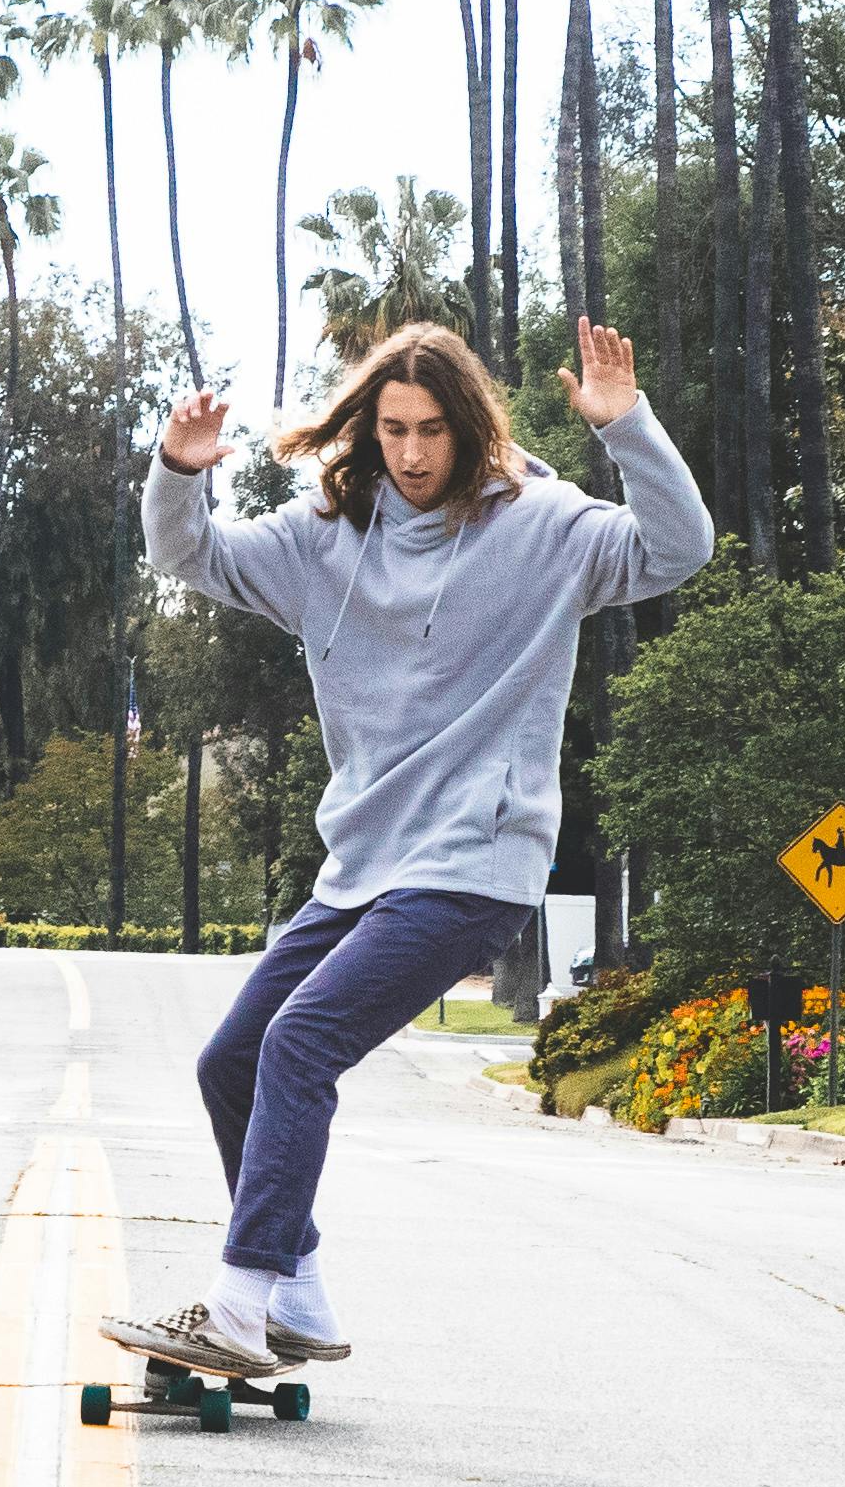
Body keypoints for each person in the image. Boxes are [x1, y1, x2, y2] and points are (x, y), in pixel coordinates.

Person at [102, 317, 711, 1379]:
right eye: (394, 430)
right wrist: (176, 471)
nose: (415, 454)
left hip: (473, 863)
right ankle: (300, 1298)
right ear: (367, 430)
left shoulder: (545, 529)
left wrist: (630, 432)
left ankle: (239, 1309)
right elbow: (187, 556)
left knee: (300, 1048)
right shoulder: (320, 541)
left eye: (434, 430)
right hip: (361, 869)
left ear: (469, 429)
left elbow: (677, 549)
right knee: (232, 1063)